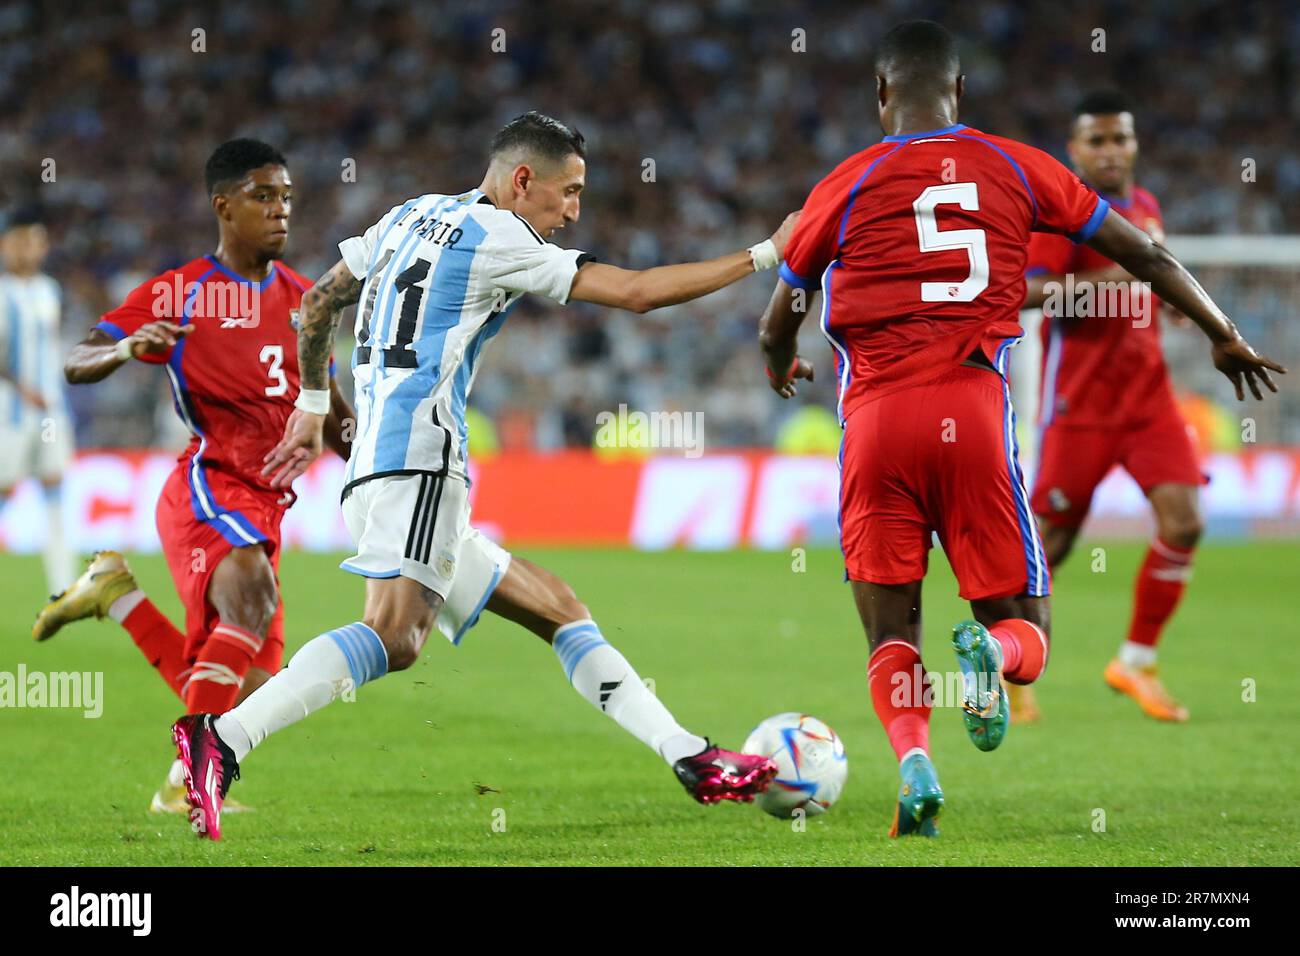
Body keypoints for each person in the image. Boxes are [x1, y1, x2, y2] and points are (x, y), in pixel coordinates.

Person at [173, 112, 800, 840]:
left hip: (378, 466)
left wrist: (315, 403)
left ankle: (690, 755)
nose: (572, 211)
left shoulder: (410, 212)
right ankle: (223, 740)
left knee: (557, 606)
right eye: (567, 193)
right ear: (522, 179)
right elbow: (636, 293)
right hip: (423, 463)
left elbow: (315, 305)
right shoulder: (503, 237)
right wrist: (766, 254)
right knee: (396, 636)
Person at [759, 21, 1283, 838]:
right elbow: (1147, 258)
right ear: (961, 91)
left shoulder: (846, 181)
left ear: (880, 94)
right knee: (1025, 626)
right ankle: (994, 662)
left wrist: (780, 361)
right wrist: (1221, 331)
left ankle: (913, 768)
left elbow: (777, 317)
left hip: (872, 425)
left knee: (892, 629)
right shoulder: (1016, 164)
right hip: (969, 411)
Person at [34, 139, 354, 811]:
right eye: (263, 196)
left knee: (254, 689)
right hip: (209, 487)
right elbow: (77, 357)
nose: (281, 210)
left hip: (267, 504)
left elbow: (332, 415)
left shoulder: (306, 301)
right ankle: (189, 784)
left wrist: (383, 473)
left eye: (287, 197)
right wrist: (126, 346)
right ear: (224, 206)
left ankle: (114, 593)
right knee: (251, 599)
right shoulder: (182, 292)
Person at [1015, 91, 1205, 723]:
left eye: (1119, 138)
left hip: (1149, 399)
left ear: (1134, 144)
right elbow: (1030, 293)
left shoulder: (1145, 207)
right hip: (1081, 403)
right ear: (1074, 151)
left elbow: (1160, 276)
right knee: (1052, 543)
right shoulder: (1065, 214)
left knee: (1183, 522)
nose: (1110, 150)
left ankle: (1135, 661)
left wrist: (1172, 300)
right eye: (1096, 140)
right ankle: (1013, 670)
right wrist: (1117, 280)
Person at [0, 205, 76, 597]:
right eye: (19, 241)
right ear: (5, 245)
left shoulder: (49, 290)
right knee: (5, 491)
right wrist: (22, 387)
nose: (27, 249)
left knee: (56, 490)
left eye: (34, 241)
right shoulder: (2, 293)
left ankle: (64, 588)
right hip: (9, 413)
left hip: (52, 412)